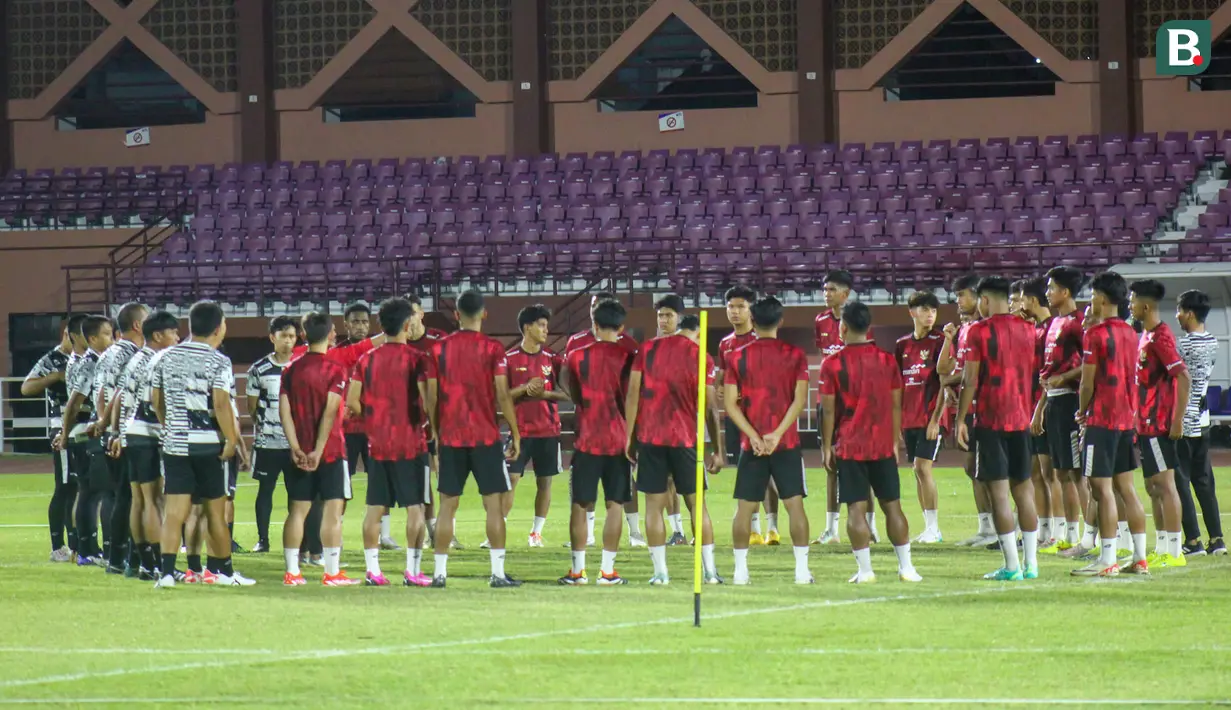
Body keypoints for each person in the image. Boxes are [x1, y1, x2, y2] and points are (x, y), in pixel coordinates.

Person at [151, 301, 253, 587]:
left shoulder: (165, 357)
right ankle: (224, 573)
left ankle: (168, 573)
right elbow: (221, 403)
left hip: (175, 444)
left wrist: (169, 424)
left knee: (174, 513)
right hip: (208, 444)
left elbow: (155, 400)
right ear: (219, 327)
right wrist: (232, 441)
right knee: (214, 513)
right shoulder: (219, 360)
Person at [425, 290, 523, 588]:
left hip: (452, 436)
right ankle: (497, 573)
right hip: (485, 436)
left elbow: (432, 394)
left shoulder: (438, 349)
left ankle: (440, 574)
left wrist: (436, 429)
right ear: (484, 314)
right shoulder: (494, 349)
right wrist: (516, 433)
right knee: (493, 505)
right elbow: (503, 394)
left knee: (447, 506)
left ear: (456, 315)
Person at [820, 302, 920, 584]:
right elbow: (896, 403)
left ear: (843, 327)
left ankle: (865, 571)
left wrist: (827, 445)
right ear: (869, 327)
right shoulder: (887, 360)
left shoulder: (832, 363)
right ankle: (906, 568)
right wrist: (894, 439)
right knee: (893, 506)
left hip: (850, 444)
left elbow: (828, 410)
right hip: (881, 444)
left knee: (855, 508)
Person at [625, 307, 725, 586]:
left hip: (651, 438)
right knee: (697, 506)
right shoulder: (700, 356)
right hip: (686, 440)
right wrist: (719, 449)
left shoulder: (646, 350)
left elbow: (633, 394)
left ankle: (660, 573)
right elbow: (710, 409)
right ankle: (710, 572)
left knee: (653, 507)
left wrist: (629, 439)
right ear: (697, 332)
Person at [955, 276, 1041, 581]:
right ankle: (1031, 564)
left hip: (992, 421)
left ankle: (1011, 566)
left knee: (1000, 496)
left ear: (985, 299)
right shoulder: (1029, 329)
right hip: (1021, 420)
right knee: (1025, 492)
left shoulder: (977, 331)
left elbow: (970, 380)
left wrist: (960, 418)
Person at [724, 296, 812, 585]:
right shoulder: (795, 355)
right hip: (785, 444)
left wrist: (754, 436)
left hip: (752, 445)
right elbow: (799, 401)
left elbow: (730, 405)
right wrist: (778, 433)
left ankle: (740, 572)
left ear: (753, 320)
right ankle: (801, 571)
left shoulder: (736, 357)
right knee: (795, 506)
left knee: (744, 508)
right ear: (780, 321)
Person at [347, 298, 433, 587]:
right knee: (415, 508)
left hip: (378, 444)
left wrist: (374, 421)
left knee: (374, 507)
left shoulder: (366, 359)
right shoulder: (417, 359)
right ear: (407, 325)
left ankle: (373, 571)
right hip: (411, 443)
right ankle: (412, 570)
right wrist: (430, 421)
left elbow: (351, 402)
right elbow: (427, 399)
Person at [1072, 272, 1149, 577]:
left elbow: (1087, 382)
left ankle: (1108, 559)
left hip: (1102, 419)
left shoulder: (1095, 334)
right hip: (1125, 420)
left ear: (1103, 298)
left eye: (1092, 296)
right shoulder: (1133, 333)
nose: (1090, 302)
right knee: (1127, 489)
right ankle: (1140, 558)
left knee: (1100, 489)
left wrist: (1082, 411)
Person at [559, 299, 637, 585]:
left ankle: (578, 571)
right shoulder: (628, 356)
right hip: (619, 440)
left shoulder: (577, 355)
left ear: (594, 325)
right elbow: (632, 397)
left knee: (580, 505)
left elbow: (571, 389)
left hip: (587, 439)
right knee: (614, 504)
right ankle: (607, 571)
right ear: (621, 327)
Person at [279, 312, 359, 587]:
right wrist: (318, 450)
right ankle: (332, 572)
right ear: (331, 334)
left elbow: (284, 412)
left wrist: (296, 447)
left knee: (297, 511)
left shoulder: (290, 369)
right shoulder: (336, 370)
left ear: (303, 335)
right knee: (332, 512)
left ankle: (292, 572)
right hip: (331, 451)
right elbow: (330, 412)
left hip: (299, 452)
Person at [1129, 279, 1190, 567]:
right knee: (1153, 486)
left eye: (1131, 302)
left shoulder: (1161, 338)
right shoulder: (1145, 336)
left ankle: (1175, 551)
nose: (1129, 307)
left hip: (1159, 423)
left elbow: (1183, 377)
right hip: (1144, 423)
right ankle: (1163, 545)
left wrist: (1177, 420)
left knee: (1165, 485)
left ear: (1145, 306)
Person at [814, 269, 877, 546]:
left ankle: (871, 527)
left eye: (831, 290)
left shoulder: (858, 320)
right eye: (824, 289)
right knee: (830, 464)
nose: (826, 294)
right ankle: (831, 529)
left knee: (866, 467)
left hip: (855, 404)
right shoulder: (820, 321)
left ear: (846, 293)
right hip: (828, 402)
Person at [115, 311, 180, 579]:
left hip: (132, 432)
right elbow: (157, 401)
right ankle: (157, 564)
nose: (177, 338)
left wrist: (118, 433)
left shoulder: (135, 359)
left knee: (139, 501)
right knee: (155, 500)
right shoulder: (158, 360)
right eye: (174, 333)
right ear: (158, 335)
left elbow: (120, 397)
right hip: (149, 433)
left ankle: (144, 562)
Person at [719, 285, 781, 547]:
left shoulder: (764, 338)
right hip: (738, 418)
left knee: (769, 475)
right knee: (746, 473)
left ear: (751, 310)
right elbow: (722, 379)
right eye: (731, 306)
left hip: (765, 417)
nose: (735, 312)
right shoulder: (725, 344)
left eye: (741, 306)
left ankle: (773, 527)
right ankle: (754, 529)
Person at [1035, 266, 1090, 557]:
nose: (1047, 293)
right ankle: (1069, 535)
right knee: (1062, 471)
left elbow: (1092, 362)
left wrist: (1065, 378)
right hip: (1054, 400)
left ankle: (1088, 537)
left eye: (1051, 288)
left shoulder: (1078, 323)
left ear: (1065, 292)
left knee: (1076, 473)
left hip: (1070, 401)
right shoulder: (1056, 322)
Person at [937, 274, 996, 548]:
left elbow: (977, 373)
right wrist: (951, 385)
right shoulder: (963, 330)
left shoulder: (985, 330)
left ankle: (998, 527)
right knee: (972, 467)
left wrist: (952, 382)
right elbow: (950, 369)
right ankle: (985, 528)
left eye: (963, 295)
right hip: (967, 406)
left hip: (985, 408)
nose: (958, 301)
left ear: (978, 297)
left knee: (987, 469)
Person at [503, 305, 567, 549]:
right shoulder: (508, 359)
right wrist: (524, 389)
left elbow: (566, 394)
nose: (546, 330)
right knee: (511, 479)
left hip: (548, 431)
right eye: (541, 325)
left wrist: (545, 392)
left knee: (545, 483)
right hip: (519, 432)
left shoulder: (553, 359)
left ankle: (536, 533)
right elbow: (500, 395)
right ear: (527, 327)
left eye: (546, 325)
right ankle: (498, 529)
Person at [96, 302, 148, 574]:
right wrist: (115, 430)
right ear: (139, 325)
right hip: (124, 432)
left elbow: (100, 391)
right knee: (130, 497)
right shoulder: (133, 354)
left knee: (120, 497)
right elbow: (119, 394)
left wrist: (102, 424)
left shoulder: (108, 352)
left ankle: (118, 558)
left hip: (111, 432)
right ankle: (128, 558)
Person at [58, 315, 113, 566]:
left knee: (88, 493)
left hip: (79, 432)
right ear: (92, 338)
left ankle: (87, 549)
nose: (112, 340)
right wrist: (66, 433)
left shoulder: (80, 360)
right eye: (107, 335)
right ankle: (91, 550)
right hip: (84, 433)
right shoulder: (92, 362)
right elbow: (75, 401)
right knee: (97, 492)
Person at [22, 316, 77, 562]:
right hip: (61, 428)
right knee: (65, 487)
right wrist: (54, 377)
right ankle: (58, 546)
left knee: (79, 488)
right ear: (67, 334)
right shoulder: (52, 360)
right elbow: (26, 388)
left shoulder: (85, 358)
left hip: (83, 428)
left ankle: (78, 543)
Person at [1174, 290, 1224, 556]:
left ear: (1190, 313)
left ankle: (1192, 540)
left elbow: (1178, 381)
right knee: (1204, 481)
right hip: (1202, 420)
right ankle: (1217, 539)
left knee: (1180, 481)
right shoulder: (1214, 343)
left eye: (1180, 310)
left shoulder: (1183, 346)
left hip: (1183, 420)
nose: (1177, 316)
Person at [1013, 277, 1062, 553]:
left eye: (1019, 299)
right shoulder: (1034, 329)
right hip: (1028, 408)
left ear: (1030, 300)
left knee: (1051, 473)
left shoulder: (1051, 330)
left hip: (1042, 408)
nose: (1017, 305)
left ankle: (1057, 531)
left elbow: (1048, 376)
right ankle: (1043, 531)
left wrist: (1039, 409)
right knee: (1035, 473)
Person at [895, 291, 945, 544]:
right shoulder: (902, 345)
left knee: (922, 468)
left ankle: (935, 528)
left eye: (933, 310)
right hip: (909, 419)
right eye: (924, 310)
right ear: (912, 312)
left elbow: (945, 383)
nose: (930, 315)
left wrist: (936, 419)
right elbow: (898, 385)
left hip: (930, 418)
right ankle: (928, 527)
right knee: (917, 472)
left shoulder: (940, 341)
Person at [245, 316, 298, 553]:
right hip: (268, 442)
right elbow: (252, 407)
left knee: (296, 493)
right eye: (284, 336)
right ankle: (263, 540)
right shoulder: (259, 369)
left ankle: (297, 541)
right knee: (265, 490)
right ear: (272, 338)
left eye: (292, 336)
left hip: (296, 443)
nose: (288, 341)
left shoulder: (301, 365)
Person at [403, 294, 449, 549]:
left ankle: (445, 529)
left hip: (441, 419)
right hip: (412, 422)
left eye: (413, 312)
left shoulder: (439, 340)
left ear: (421, 314)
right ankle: (432, 530)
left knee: (444, 476)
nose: (409, 318)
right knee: (422, 480)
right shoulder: (398, 344)